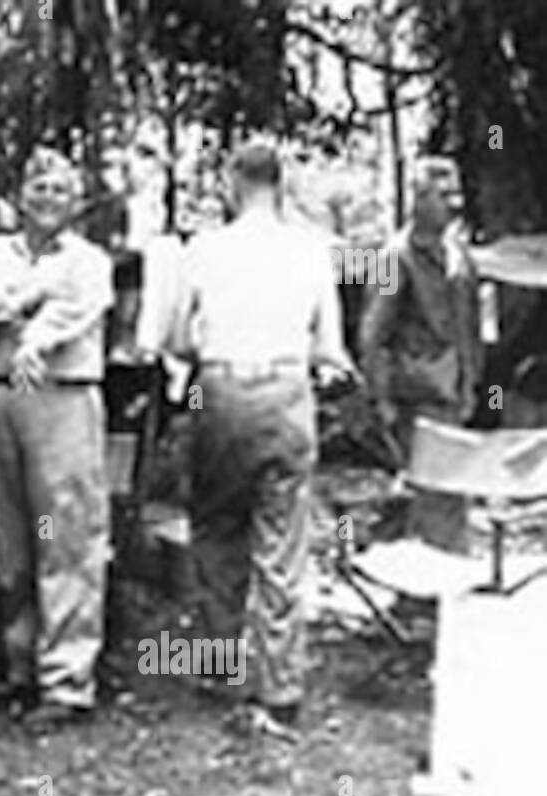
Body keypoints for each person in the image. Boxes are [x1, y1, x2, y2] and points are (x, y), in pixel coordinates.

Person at [167, 140, 356, 736]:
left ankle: (220, 668)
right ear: (283, 184)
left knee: (217, 530)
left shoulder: (204, 248)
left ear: (231, 182)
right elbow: (329, 347)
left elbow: (176, 338)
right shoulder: (310, 251)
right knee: (282, 544)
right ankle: (281, 689)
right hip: (285, 391)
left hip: (222, 390)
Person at [0, 147, 114, 727]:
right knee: (12, 535)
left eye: (61, 190)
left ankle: (67, 681)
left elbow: (79, 310)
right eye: (39, 187)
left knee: (66, 535)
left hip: (61, 399)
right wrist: (19, 301)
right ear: (21, 195)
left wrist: (34, 335)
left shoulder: (88, 259)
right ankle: (21, 666)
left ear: (76, 203)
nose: (48, 198)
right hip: (0, 397)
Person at [358, 156, 481, 553]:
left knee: (446, 498)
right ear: (418, 198)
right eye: (444, 195)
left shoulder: (459, 256)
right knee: (432, 502)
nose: (455, 203)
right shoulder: (394, 258)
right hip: (415, 399)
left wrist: (472, 384)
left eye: (456, 193)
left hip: (451, 396)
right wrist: (380, 401)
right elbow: (372, 335)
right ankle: (422, 599)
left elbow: (472, 327)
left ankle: (433, 587)